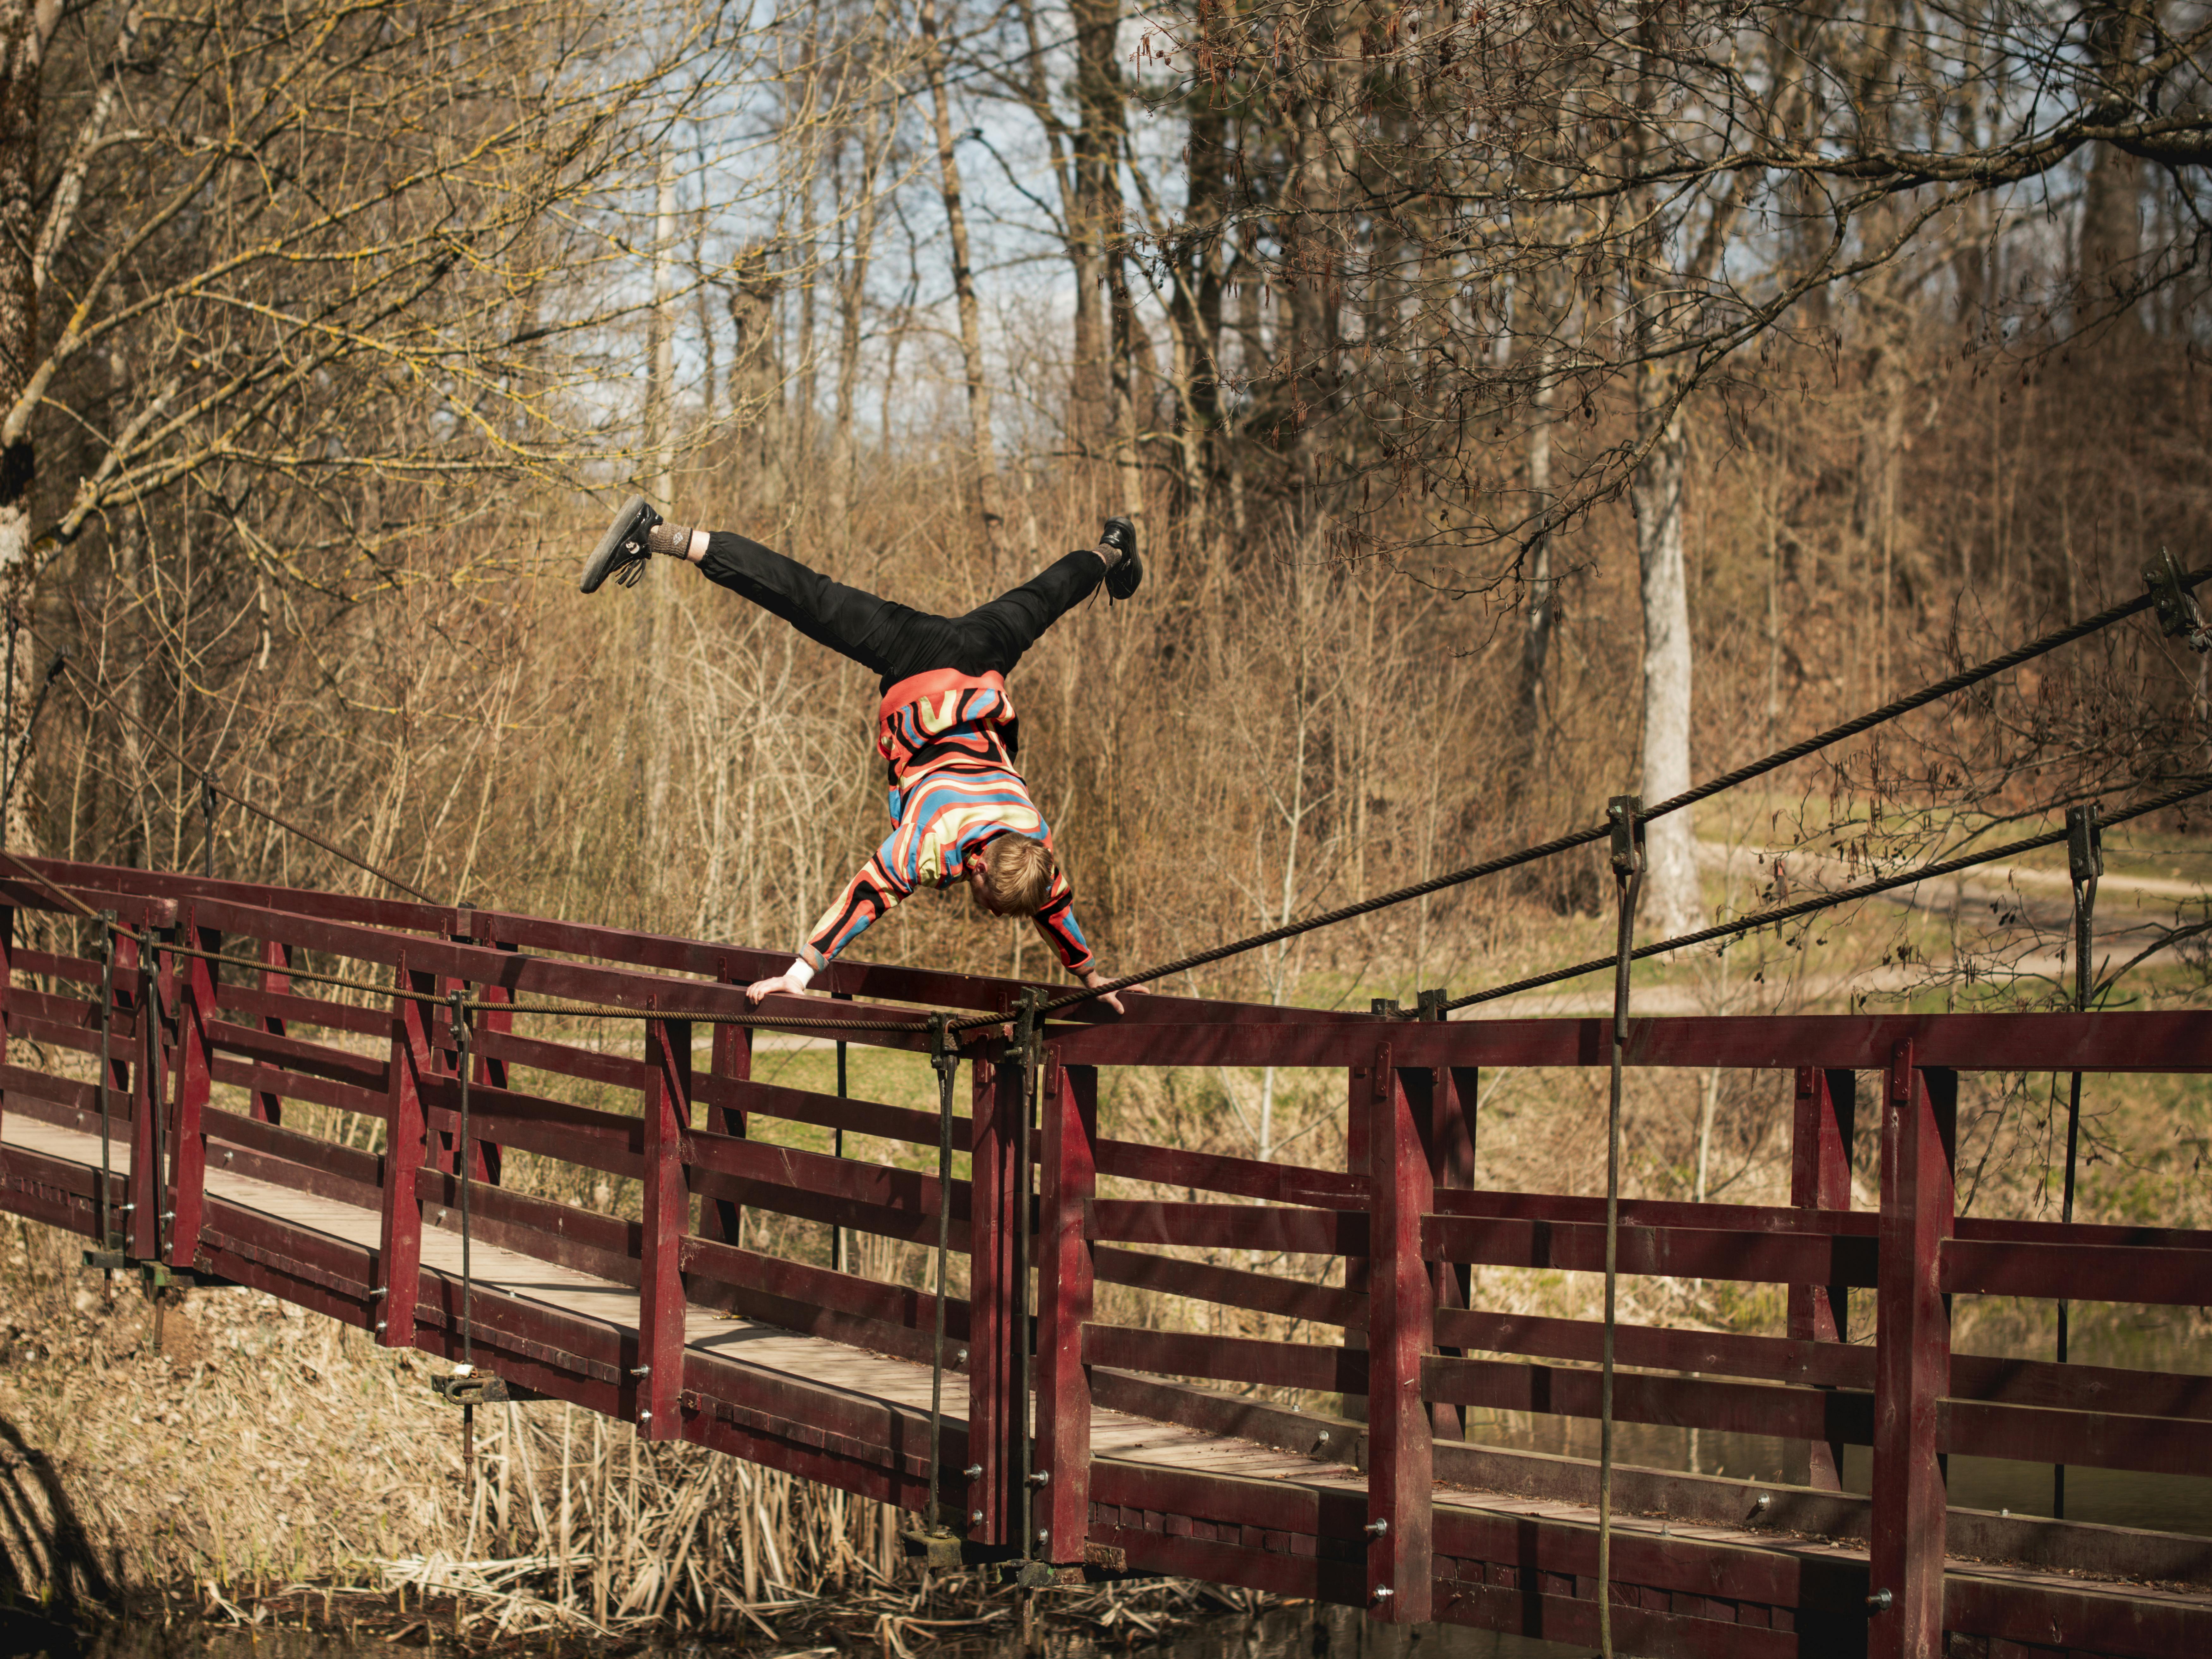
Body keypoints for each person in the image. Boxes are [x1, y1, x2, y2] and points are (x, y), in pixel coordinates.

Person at [581, 498, 1142, 1012]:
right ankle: (653, 534)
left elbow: (1052, 904)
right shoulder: (931, 845)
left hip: (983, 655)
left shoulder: (1033, 838)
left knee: (1044, 596)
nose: (996, 914)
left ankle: (1113, 548)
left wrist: (1092, 976)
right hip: (916, 659)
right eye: (993, 902)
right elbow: (865, 898)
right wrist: (800, 974)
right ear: (977, 869)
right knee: (808, 600)